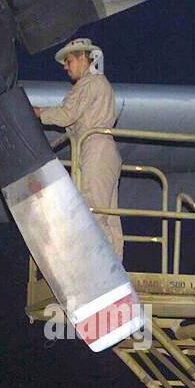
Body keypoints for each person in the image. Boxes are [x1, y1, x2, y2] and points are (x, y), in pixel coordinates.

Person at [33, 37, 123, 257]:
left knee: (92, 210)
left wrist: (37, 113)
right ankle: (114, 263)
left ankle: (100, 265)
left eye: (69, 61)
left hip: (94, 148)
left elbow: (66, 115)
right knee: (108, 214)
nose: (65, 67)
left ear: (83, 58)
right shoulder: (100, 85)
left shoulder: (89, 84)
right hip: (101, 149)